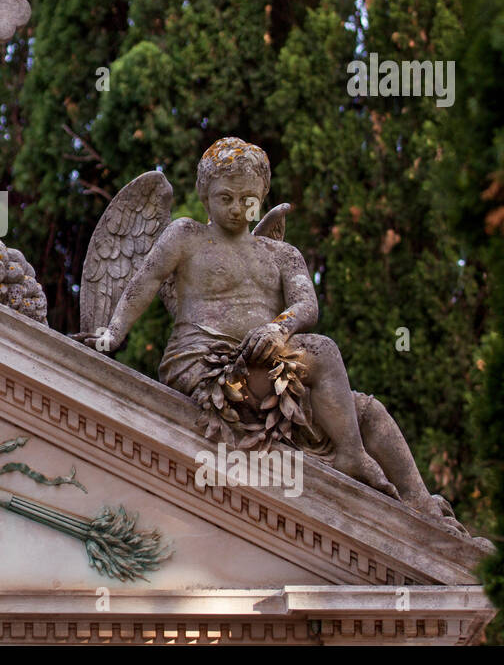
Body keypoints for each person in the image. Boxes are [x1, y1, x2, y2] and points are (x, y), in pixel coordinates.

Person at [85, 137, 462, 528]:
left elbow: (306, 306)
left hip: (268, 368)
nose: (236, 208)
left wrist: (278, 328)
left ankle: (423, 505)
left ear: (262, 195)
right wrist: (111, 335)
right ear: (204, 194)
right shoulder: (187, 236)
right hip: (206, 367)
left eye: (247, 199)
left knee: (367, 410)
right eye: (225, 197)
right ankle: (350, 454)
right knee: (322, 349)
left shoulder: (281, 254)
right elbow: (144, 282)